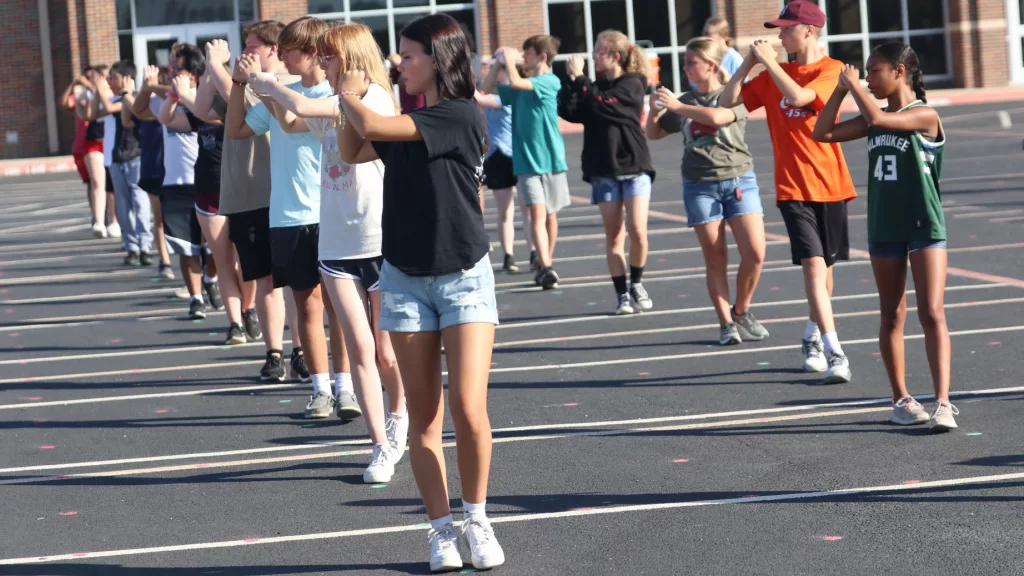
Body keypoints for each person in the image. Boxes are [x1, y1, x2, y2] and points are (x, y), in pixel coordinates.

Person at [336, 13, 504, 571]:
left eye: (407, 56)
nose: (398, 64)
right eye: (398, 56)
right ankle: (440, 532)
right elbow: (354, 150)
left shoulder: (458, 112)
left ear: (439, 58)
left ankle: (477, 518)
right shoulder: (404, 116)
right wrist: (349, 103)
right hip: (405, 278)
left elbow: (376, 130)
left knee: (469, 410)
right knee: (425, 420)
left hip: (463, 276)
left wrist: (352, 94)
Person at [250, 22, 412, 482]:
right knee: (360, 347)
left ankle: (399, 415)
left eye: (329, 56)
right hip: (336, 244)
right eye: (320, 55)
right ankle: (379, 445)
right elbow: (289, 119)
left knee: (385, 351)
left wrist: (267, 80)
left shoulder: (375, 99)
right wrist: (264, 92)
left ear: (352, 57)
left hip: (378, 240)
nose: (322, 62)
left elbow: (301, 102)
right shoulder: (333, 99)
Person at [813, 43, 957, 431]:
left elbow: (877, 115)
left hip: (924, 223)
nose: (868, 79)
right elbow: (822, 131)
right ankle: (901, 399)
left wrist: (853, 87)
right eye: (867, 73)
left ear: (899, 72)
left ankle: (943, 402)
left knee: (931, 312)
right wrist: (842, 90)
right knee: (892, 313)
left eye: (875, 71)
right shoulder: (872, 117)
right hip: (884, 224)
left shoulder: (924, 114)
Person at [720, 0, 856, 384]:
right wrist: (749, 65)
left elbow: (800, 98)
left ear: (809, 31)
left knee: (826, 272)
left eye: (786, 29)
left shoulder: (831, 71)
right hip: (792, 187)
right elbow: (727, 101)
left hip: (831, 183)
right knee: (814, 267)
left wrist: (772, 64)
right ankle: (835, 351)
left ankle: (812, 335)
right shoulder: (773, 76)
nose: (779, 35)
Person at [227, 16, 345, 415]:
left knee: (338, 306)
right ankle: (321, 388)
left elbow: (296, 124)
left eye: (290, 49)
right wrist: (240, 84)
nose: (283, 54)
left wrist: (269, 86)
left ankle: (345, 387)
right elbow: (238, 130)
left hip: (331, 211)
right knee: (308, 305)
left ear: (312, 53)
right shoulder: (280, 88)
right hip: (288, 216)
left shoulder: (335, 92)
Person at [648, 37, 768, 345]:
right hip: (699, 185)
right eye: (685, 61)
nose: (686, 67)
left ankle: (741, 310)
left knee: (755, 253)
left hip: (739, 179)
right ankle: (726, 323)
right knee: (716, 258)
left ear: (711, 65)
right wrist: (654, 111)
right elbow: (654, 133)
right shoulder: (685, 99)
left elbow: (715, 117)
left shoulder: (733, 96)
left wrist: (677, 105)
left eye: (691, 62)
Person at [201, 24, 302, 381]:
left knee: (294, 279)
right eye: (244, 46)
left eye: (253, 46)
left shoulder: (283, 81)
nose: (246, 52)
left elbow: (238, 100)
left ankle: (301, 350)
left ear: (274, 49)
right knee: (263, 278)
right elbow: (202, 108)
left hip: (282, 193)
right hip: (247, 195)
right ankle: (274, 353)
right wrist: (209, 67)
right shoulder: (240, 79)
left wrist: (219, 67)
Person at [161, 60, 257, 345]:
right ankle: (235, 324)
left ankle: (248, 308)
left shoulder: (235, 109)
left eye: (214, 81)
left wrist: (189, 96)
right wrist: (172, 96)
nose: (209, 86)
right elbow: (167, 119)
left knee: (245, 262)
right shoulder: (199, 112)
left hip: (241, 192)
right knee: (223, 261)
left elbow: (217, 117)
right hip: (208, 193)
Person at [560, 29, 656, 315]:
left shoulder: (633, 83)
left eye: (598, 52)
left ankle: (637, 282)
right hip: (603, 167)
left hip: (634, 163)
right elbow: (572, 111)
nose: (592, 56)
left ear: (614, 56)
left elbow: (603, 105)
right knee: (614, 235)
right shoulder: (594, 86)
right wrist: (570, 82)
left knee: (638, 229)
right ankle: (622, 294)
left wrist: (581, 80)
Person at [484, 35, 569, 290]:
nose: (523, 57)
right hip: (526, 162)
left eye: (527, 53)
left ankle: (545, 262)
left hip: (551, 159)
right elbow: (488, 88)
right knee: (536, 213)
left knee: (551, 217)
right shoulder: (520, 86)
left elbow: (518, 82)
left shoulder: (549, 80)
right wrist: (499, 63)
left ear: (542, 57)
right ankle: (546, 266)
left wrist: (509, 60)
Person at [134, 47, 206, 320]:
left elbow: (196, 104)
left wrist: (161, 88)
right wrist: (147, 88)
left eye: (179, 69)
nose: (173, 73)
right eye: (171, 68)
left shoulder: (207, 97)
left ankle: (210, 280)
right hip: (175, 182)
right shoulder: (168, 100)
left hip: (208, 181)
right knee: (185, 247)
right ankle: (196, 297)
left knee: (212, 248)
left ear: (196, 74)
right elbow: (139, 110)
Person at [91, 60, 154, 266]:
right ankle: (131, 247)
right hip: (117, 157)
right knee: (123, 206)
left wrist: (100, 89)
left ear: (127, 79)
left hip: (135, 156)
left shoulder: (132, 99)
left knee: (140, 203)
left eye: (114, 77)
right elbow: (93, 114)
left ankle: (145, 246)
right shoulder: (114, 97)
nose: (110, 81)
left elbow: (111, 107)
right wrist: (95, 91)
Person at [124, 66, 174, 279]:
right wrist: (128, 94)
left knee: (182, 219)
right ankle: (165, 261)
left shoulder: (172, 106)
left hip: (175, 169)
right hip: (154, 168)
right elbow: (128, 118)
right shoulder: (151, 106)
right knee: (160, 219)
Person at [475, 71, 520, 274]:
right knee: (505, 211)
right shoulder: (491, 97)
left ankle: (535, 251)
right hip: (497, 156)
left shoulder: (509, 96)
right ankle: (508, 255)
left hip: (517, 155)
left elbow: (479, 97)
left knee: (527, 210)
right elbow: (480, 94)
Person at [75, 65, 119, 238]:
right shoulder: (91, 93)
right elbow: (89, 116)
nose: (89, 80)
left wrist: (96, 89)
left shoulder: (111, 93)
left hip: (109, 141)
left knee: (111, 184)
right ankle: (99, 221)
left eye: (92, 77)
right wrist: (80, 104)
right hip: (93, 141)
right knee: (97, 182)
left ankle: (114, 221)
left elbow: (108, 107)